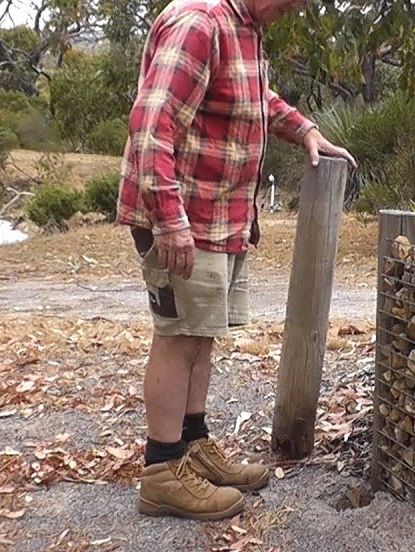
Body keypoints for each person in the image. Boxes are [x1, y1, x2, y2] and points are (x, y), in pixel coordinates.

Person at [116, 0, 357, 521]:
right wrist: (169, 219)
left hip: (219, 218)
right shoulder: (200, 23)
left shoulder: (242, 26)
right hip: (183, 215)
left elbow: (253, 97)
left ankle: (192, 444)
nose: (289, 13)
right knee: (178, 335)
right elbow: (152, 124)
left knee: (200, 333)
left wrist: (305, 130)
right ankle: (162, 470)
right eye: (288, 3)